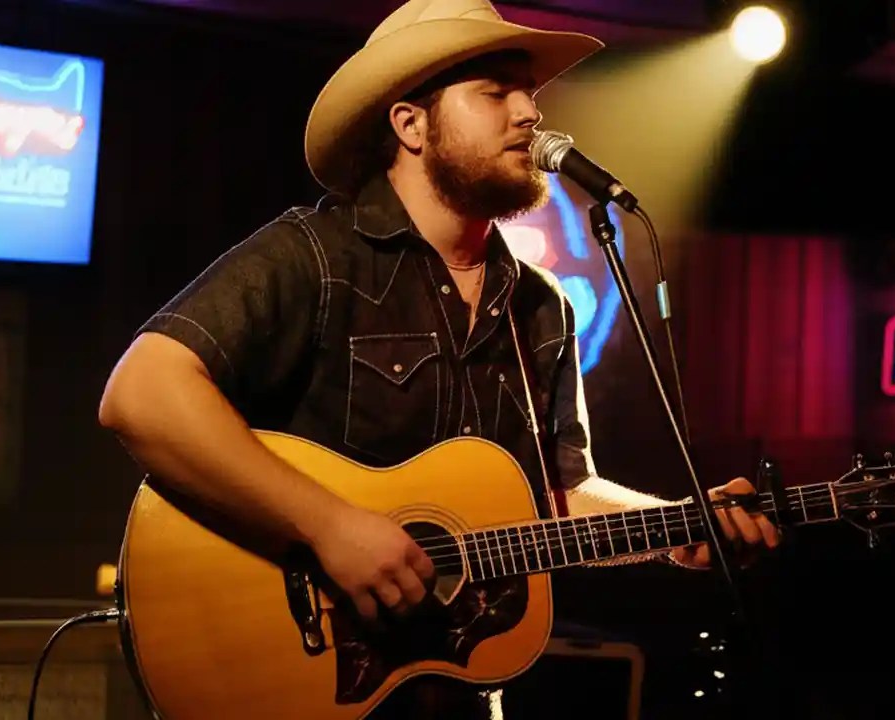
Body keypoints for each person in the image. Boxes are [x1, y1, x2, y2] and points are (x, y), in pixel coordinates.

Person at [97, 0, 779, 717]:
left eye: (530, 96)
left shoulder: (539, 306)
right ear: (410, 124)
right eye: (495, 93)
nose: (528, 115)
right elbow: (140, 394)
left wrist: (678, 522)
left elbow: (558, 497)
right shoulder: (317, 258)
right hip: (291, 667)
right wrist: (329, 526)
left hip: (445, 688)